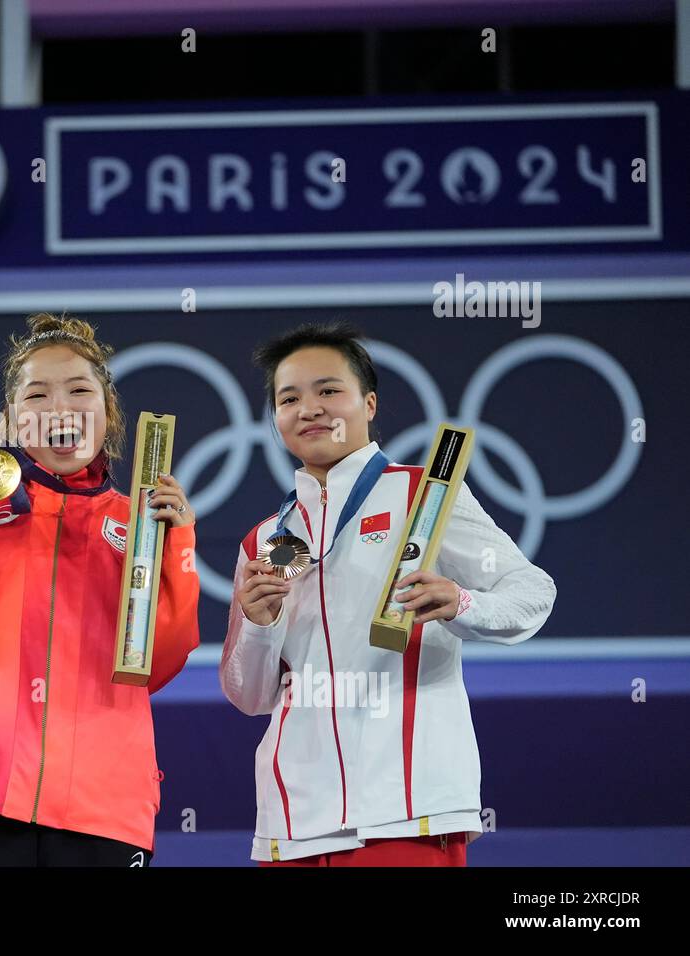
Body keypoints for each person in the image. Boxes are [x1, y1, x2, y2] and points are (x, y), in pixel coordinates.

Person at [221, 321, 556, 866]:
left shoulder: (425, 494)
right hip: (293, 820)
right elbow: (249, 695)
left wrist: (462, 604)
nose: (309, 408)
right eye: (289, 398)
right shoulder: (270, 539)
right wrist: (258, 626)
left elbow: (532, 590)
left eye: (329, 390)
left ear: (369, 403)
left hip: (406, 808)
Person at [0, 313, 200, 866]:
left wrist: (178, 542)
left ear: (107, 411)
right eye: (36, 395)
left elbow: (157, 662)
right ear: (13, 420)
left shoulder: (140, 523)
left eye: (79, 389)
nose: (59, 407)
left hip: (104, 804)